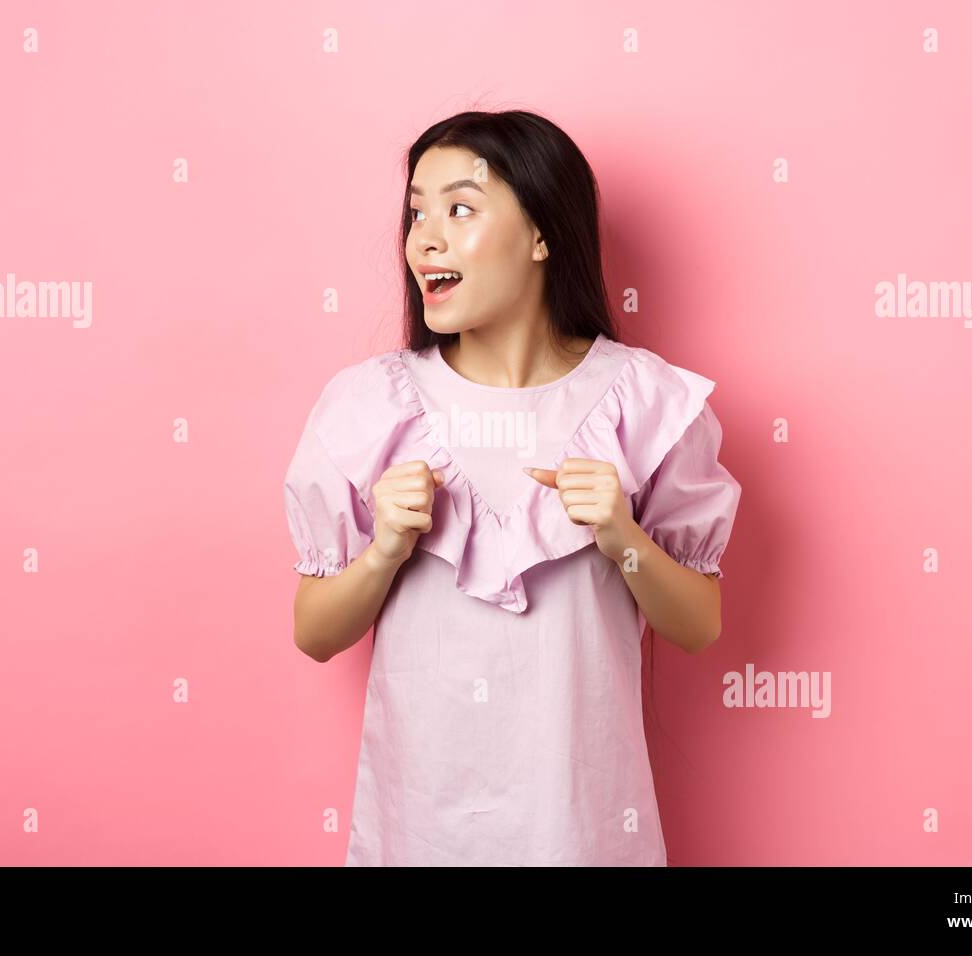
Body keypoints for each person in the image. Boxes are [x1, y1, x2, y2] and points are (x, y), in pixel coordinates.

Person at [283, 109, 741, 865]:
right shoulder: (369, 406)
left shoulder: (645, 403)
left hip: (585, 830)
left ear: (541, 235)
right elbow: (315, 633)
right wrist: (384, 552)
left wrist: (623, 538)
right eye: (416, 212)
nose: (424, 237)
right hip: (422, 828)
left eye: (460, 208)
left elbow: (699, 626)